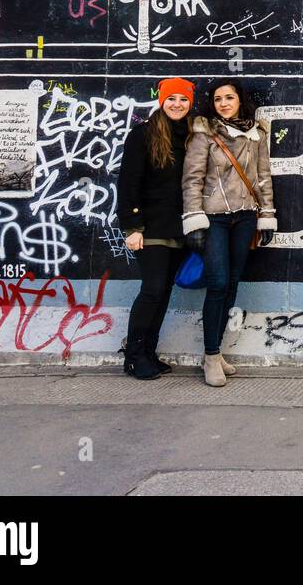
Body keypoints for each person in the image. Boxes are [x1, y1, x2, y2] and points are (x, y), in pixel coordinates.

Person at [182, 79, 276, 387]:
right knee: (218, 283)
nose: (224, 103)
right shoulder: (204, 133)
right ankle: (210, 357)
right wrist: (194, 219)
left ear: (239, 100)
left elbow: (262, 178)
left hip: (245, 217)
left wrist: (266, 215)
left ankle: (217, 351)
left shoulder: (255, 134)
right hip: (214, 219)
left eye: (229, 97)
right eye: (218, 98)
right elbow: (193, 179)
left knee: (233, 283)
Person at [118, 77, 195, 380]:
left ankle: (149, 352)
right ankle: (134, 356)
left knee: (163, 292)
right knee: (151, 291)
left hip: (178, 228)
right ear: (162, 101)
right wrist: (132, 227)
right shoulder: (143, 135)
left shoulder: (192, 136)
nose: (177, 104)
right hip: (148, 228)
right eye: (171, 98)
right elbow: (128, 184)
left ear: (190, 103)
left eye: (183, 99)